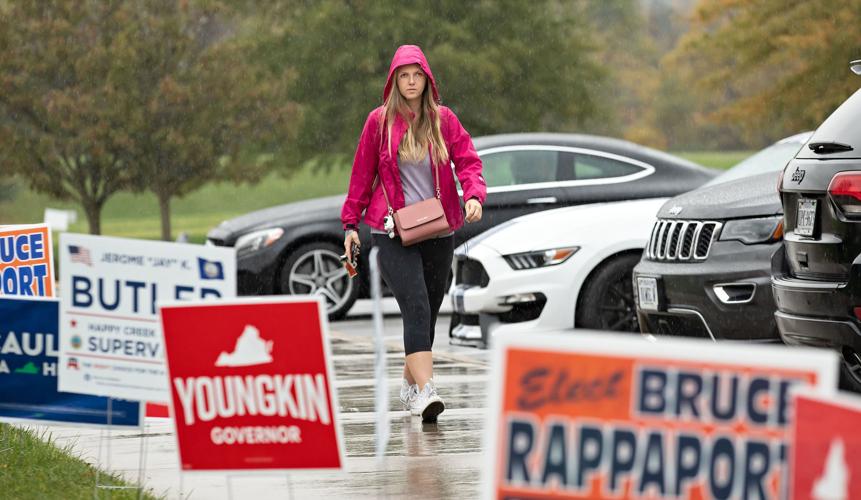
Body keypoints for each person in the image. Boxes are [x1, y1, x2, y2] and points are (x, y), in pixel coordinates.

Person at [341, 45, 486, 422]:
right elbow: (361, 175)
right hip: (391, 231)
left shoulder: (444, 120)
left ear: (426, 79)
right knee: (417, 306)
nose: (410, 82)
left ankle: (409, 385)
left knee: (428, 312)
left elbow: (468, 161)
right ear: (394, 80)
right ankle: (425, 391)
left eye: (416, 75)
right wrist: (350, 224)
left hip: (438, 231)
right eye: (403, 75)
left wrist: (473, 195)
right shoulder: (378, 122)